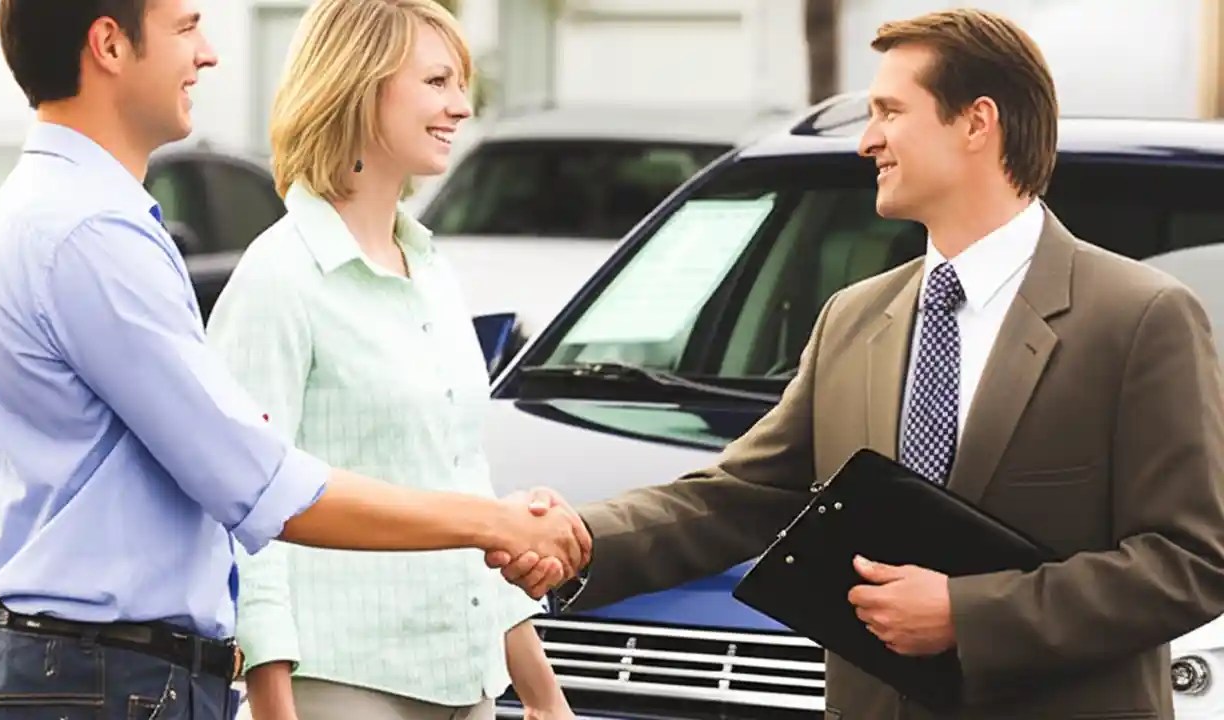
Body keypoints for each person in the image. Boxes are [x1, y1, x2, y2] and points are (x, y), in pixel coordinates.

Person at [494, 8, 1224, 719]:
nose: (867, 141)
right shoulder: (852, 317)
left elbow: (1190, 559)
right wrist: (584, 537)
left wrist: (967, 615)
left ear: (977, 122)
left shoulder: (1141, 318)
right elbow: (747, 494)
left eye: (890, 111)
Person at [0, 1, 586, 718]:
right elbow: (253, 479)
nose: (210, 54)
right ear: (109, 45)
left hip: (83, 672)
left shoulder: (30, 218)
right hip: (112, 677)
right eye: (187, 28)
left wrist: (5, 663)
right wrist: (493, 524)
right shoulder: (91, 235)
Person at [204, 1, 574, 719]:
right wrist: (275, 706)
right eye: (437, 82)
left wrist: (542, 693)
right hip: (341, 683)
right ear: (360, 85)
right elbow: (245, 514)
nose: (461, 107)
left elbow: (467, 488)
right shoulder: (278, 278)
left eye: (460, 84)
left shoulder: (431, 269)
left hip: (467, 680)